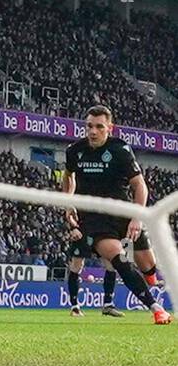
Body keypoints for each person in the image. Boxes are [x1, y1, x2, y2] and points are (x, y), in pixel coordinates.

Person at [62, 105, 170, 325]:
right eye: (89, 126)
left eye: (99, 127)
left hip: (124, 212)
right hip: (93, 219)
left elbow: (140, 185)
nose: (92, 131)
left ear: (110, 128)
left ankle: (150, 277)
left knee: (149, 266)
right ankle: (157, 309)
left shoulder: (120, 150)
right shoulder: (75, 150)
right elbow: (68, 176)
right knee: (119, 260)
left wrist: (137, 217)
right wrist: (68, 202)